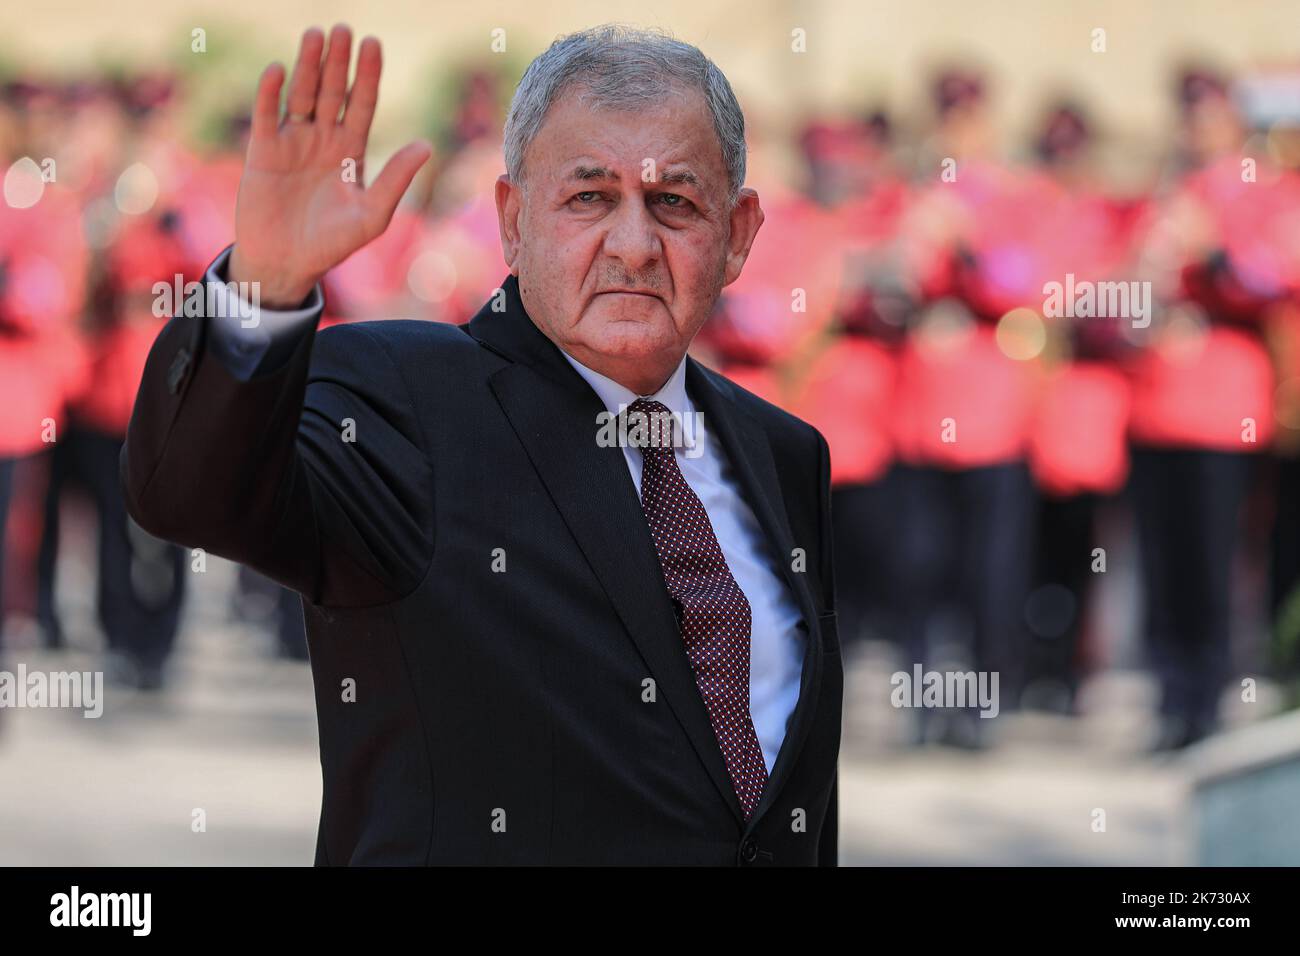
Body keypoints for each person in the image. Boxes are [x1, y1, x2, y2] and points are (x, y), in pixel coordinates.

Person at [121, 24, 841, 865]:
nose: (635, 244)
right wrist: (263, 290)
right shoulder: (404, 399)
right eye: (590, 197)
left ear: (739, 233)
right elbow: (188, 493)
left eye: (675, 203)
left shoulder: (784, 455)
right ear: (512, 219)